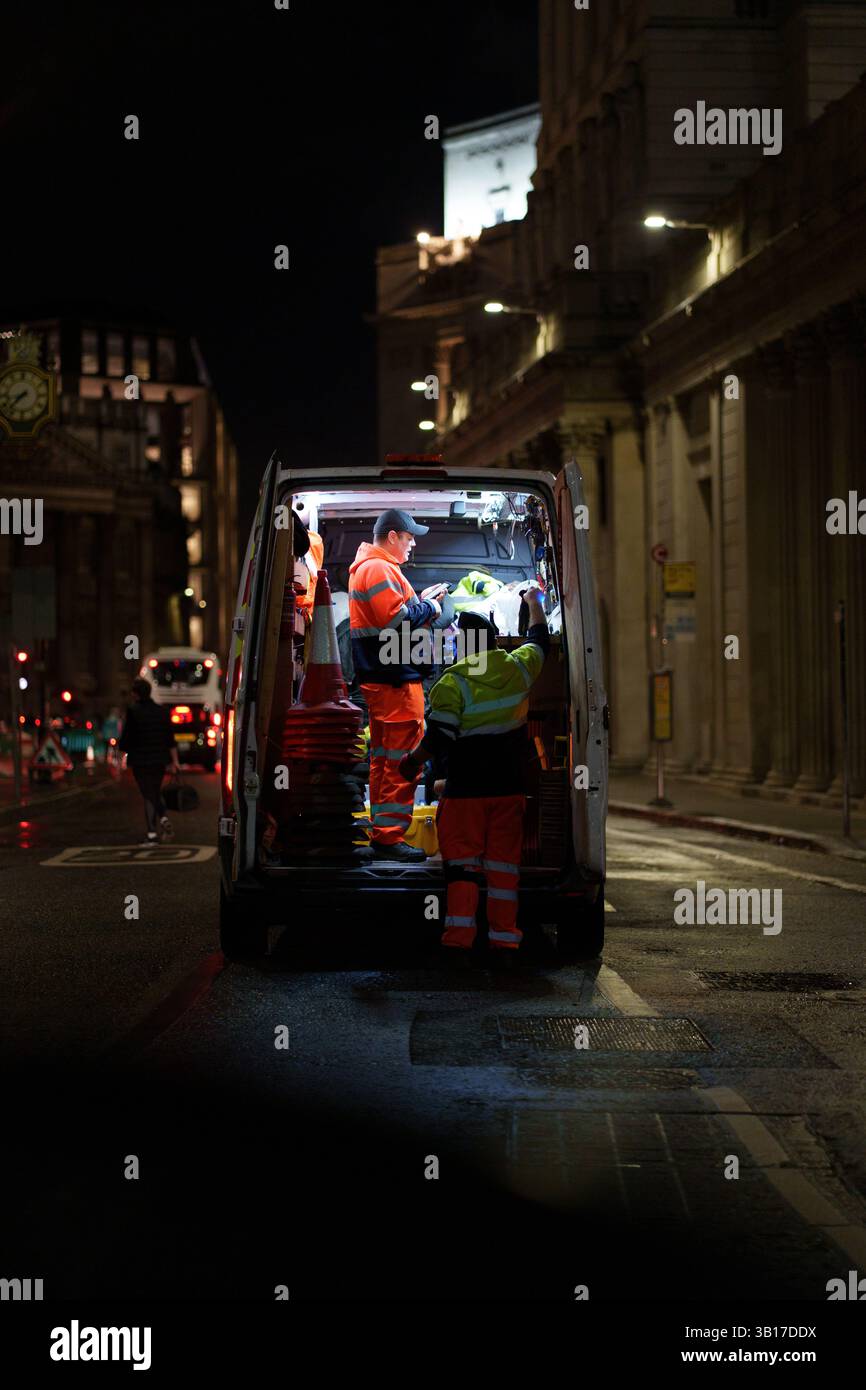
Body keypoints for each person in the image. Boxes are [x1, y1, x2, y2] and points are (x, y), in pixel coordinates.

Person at [399, 586, 550, 967]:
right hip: (508, 793)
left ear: (463, 648)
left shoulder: (453, 683)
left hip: (465, 794)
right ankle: (505, 943)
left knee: (463, 869)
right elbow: (540, 639)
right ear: (495, 642)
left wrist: (410, 763)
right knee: (503, 870)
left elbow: (438, 739)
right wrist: (533, 603)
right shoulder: (518, 667)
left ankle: (458, 942)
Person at [349, 507, 453, 862]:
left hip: (386, 679)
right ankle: (390, 838)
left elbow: (393, 617)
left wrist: (423, 600)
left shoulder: (374, 568)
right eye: (409, 539)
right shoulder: (378, 568)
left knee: (384, 760)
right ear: (392, 536)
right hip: (394, 682)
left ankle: (384, 833)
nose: (412, 547)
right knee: (402, 762)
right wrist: (432, 607)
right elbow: (396, 621)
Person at [118, 678, 179, 844]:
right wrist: (175, 761)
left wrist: (120, 756)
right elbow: (170, 738)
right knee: (154, 791)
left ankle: (152, 833)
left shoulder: (133, 711)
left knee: (147, 794)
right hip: (159, 759)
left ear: (135, 694)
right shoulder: (162, 711)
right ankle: (163, 819)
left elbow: (126, 738)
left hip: (140, 760)